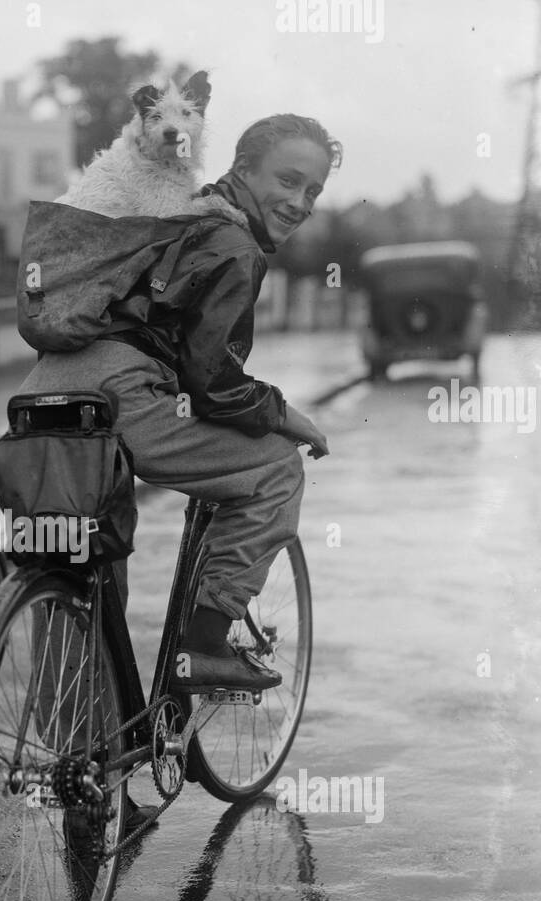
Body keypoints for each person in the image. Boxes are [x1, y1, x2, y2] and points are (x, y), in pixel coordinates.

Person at [18, 113, 339, 691]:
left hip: (42, 394)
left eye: (312, 190)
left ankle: (74, 763)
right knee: (274, 470)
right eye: (288, 180)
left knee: (81, 577)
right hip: (118, 395)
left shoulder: (178, 216)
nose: (300, 201)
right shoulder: (234, 245)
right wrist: (287, 417)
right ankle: (207, 648)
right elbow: (211, 380)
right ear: (242, 168)